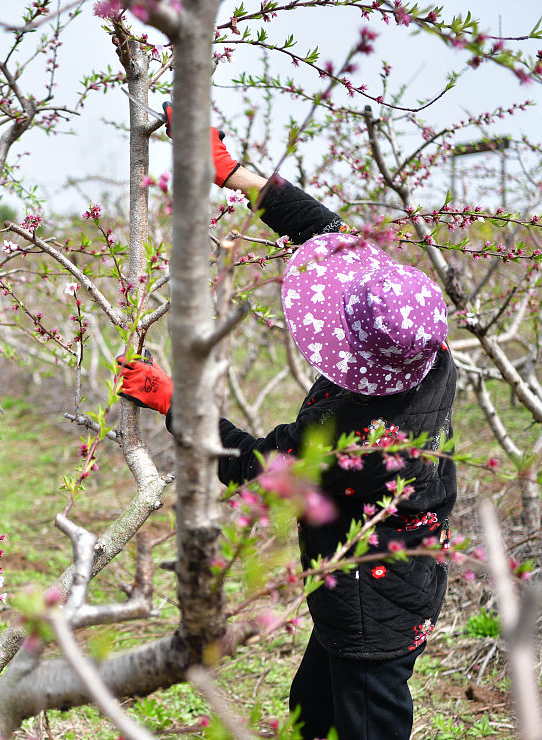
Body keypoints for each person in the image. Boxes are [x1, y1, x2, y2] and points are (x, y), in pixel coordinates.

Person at [118, 107, 456, 740]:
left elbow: (254, 467)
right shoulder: (429, 350)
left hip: (368, 604)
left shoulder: (353, 428)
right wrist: (232, 173)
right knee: (310, 713)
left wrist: (174, 404)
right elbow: (327, 231)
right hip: (393, 579)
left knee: (362, 718)